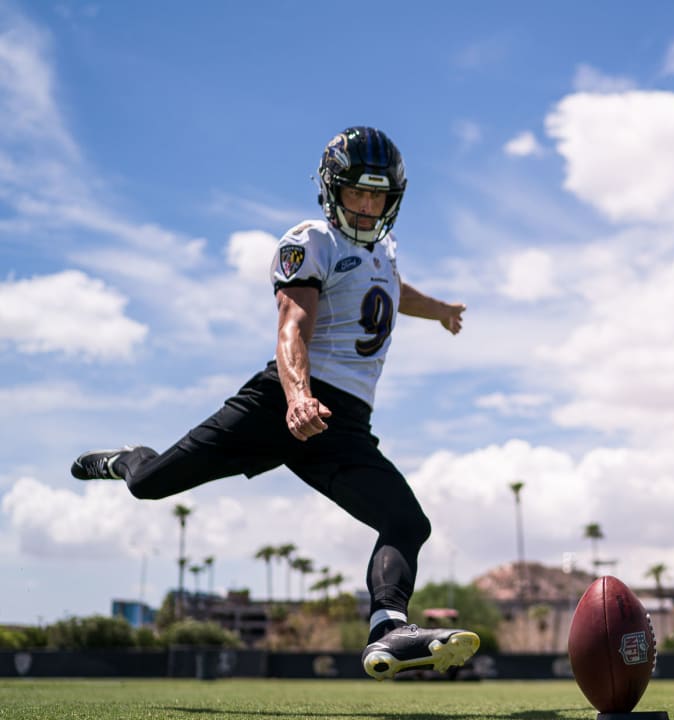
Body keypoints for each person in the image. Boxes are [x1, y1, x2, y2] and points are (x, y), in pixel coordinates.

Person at [70, 126, 478, 681]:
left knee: (407, 521)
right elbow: (293, 328)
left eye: (376, 196)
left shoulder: (384, 251)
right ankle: (128, 457)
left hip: (342, 424)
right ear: (333, 190)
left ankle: (389, 628)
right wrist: (298, 396)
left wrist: (441, 311)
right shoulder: (311, 240)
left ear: (393, 199)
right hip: (281, 403)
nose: (365, 205)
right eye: (356, 192)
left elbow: (392, 288)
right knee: (150, 484)